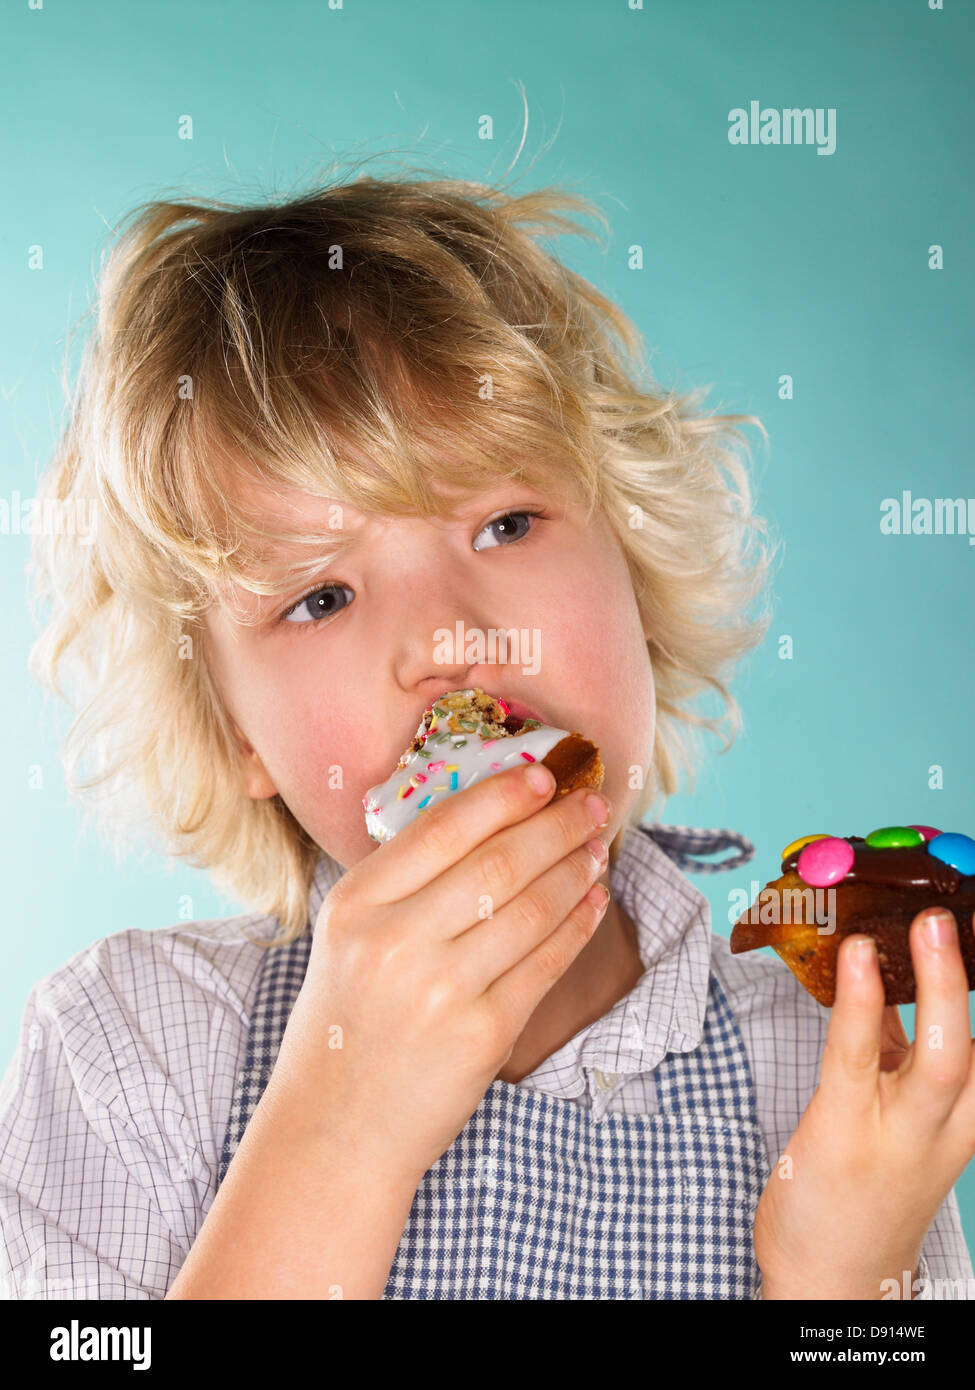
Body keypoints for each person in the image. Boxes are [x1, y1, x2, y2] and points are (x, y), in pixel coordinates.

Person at [3, 166, 972, 1299]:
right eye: (321, 596)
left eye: (505, 523)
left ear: (637, 581)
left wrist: (847, 1284)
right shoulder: (132, 1049)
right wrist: (340, 1129)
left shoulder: (821, 1068)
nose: (450, 639)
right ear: (238, 738)